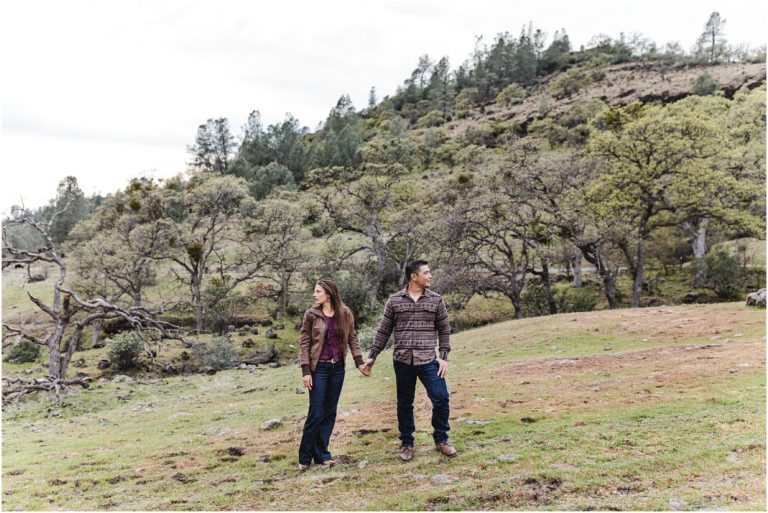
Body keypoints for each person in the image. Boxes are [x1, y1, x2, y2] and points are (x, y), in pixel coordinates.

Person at [364, 260, 456, 461]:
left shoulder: (436, 300)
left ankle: (441, 439)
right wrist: (372, 356)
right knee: (405, 403)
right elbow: (384, 331)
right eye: (426, 273)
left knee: (441, 398)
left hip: (428, 360)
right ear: (414, 276)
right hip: (403, 360)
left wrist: (444, 357)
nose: (430, 276)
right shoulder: (395, 301)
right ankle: (407, 443)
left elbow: (444, 330)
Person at [298, 279, 370, 471]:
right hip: (318, 369)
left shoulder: (345, 314)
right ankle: (305, 457)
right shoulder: (311, 315)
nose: (315, 295)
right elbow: (304, 343)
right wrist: (306, 371)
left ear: (328, 293)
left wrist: (359, 362)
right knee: (316, 412)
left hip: (337, 369)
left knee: (330, 412)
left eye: (318, 291)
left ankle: (322, 453)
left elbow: (352, 338)